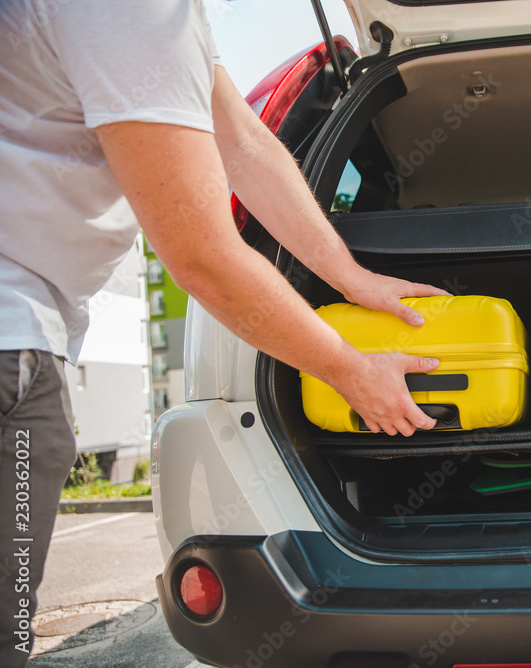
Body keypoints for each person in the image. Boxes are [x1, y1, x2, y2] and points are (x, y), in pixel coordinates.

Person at [0, 0, 446, 663]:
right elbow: (202, 258)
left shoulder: (157, 20)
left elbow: (245, 144)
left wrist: (353, 280)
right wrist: (351, 370)